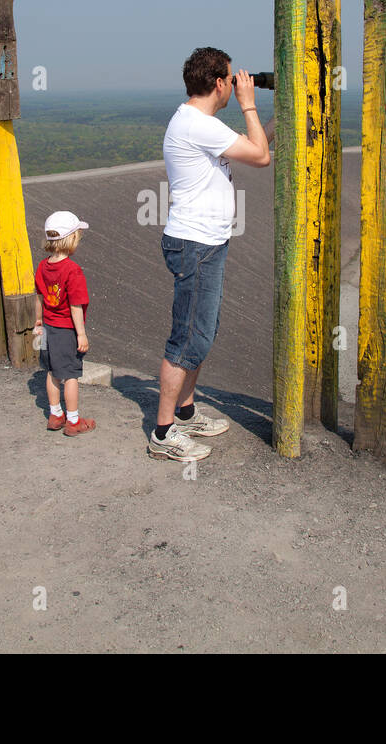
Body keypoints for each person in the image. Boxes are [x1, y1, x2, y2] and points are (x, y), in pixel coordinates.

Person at [150, 47, 271, 463]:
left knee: (201, 332)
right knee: (187, 338)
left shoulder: (197, 123)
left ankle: (184, 411)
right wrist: (250, 105)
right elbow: (261, 157)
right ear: (219, 83)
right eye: (231, 78)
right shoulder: (198, 125)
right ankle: (163, 434)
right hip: (196, 244)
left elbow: (251, 147)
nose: (235, 83)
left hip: (204, 242)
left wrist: (281, 121)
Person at [32, 211, 94, 436]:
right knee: (70, 376)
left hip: (47, 328)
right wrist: (81, 334)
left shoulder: (42, 266)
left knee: (51, 372)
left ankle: (55, 414)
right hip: (66, 330)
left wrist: (38, 322)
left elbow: (38, 297)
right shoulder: (72, 270)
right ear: (72, 239)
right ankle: (74, 420)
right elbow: (75, 306)